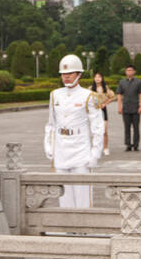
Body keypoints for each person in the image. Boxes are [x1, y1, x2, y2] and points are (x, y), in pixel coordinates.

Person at [44, 54, 104, 207]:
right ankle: (66, 229)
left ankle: (85, 229)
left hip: (81, 150)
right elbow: (51, 124)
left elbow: (97, 127)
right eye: (63, 74)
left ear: (79, 74)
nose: (66, 77)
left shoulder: (89, 96)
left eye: (70, 73)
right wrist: (48, 146)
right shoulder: (55, 95)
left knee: (83, 195)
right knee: (64, 196)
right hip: (61, 150)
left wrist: (95, 153)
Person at [116, 65, 141, 151]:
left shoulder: (138, 82)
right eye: (128, 70)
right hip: (126, 108)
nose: (129, 72)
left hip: (136, 108)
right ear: (125, 72)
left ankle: (136, 145)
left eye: (131, 70)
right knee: (126, 127)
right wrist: (119, 107)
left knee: (136, 128)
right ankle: (128, 145)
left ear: (134, 72)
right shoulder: (122, 82)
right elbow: (119, 95)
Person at [89, 71, 115, 156]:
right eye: (96, 77)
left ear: (102, 78)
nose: (97, 78)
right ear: (94, 78)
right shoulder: (90, 89)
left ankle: (105, 148)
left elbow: (112, 97)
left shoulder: (105, 88)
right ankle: (95, 148)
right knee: (94, 131)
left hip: (103, 110)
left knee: (104, 131)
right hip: (94, 111)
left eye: (99, 77)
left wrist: (105, 103)